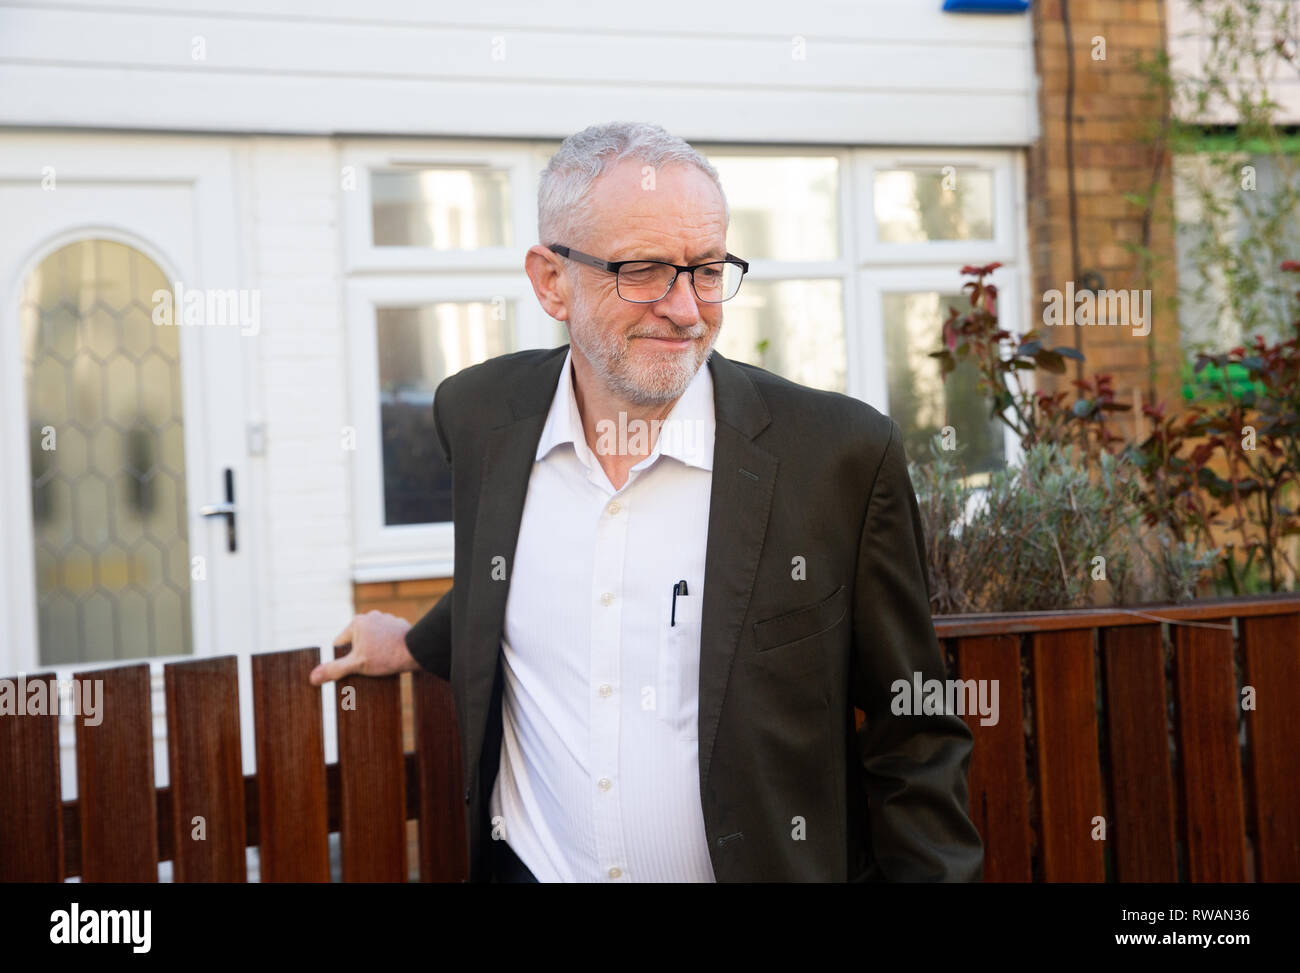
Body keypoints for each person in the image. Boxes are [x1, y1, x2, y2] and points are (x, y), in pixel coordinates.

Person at [313, 121, 983, 883]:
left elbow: (916, 729)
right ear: (550, 280)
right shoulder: (478, 416)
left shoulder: (836, 457)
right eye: (644, 270)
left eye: (705, 268)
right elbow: (505, 569)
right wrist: (412, 641)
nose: (687, 307)